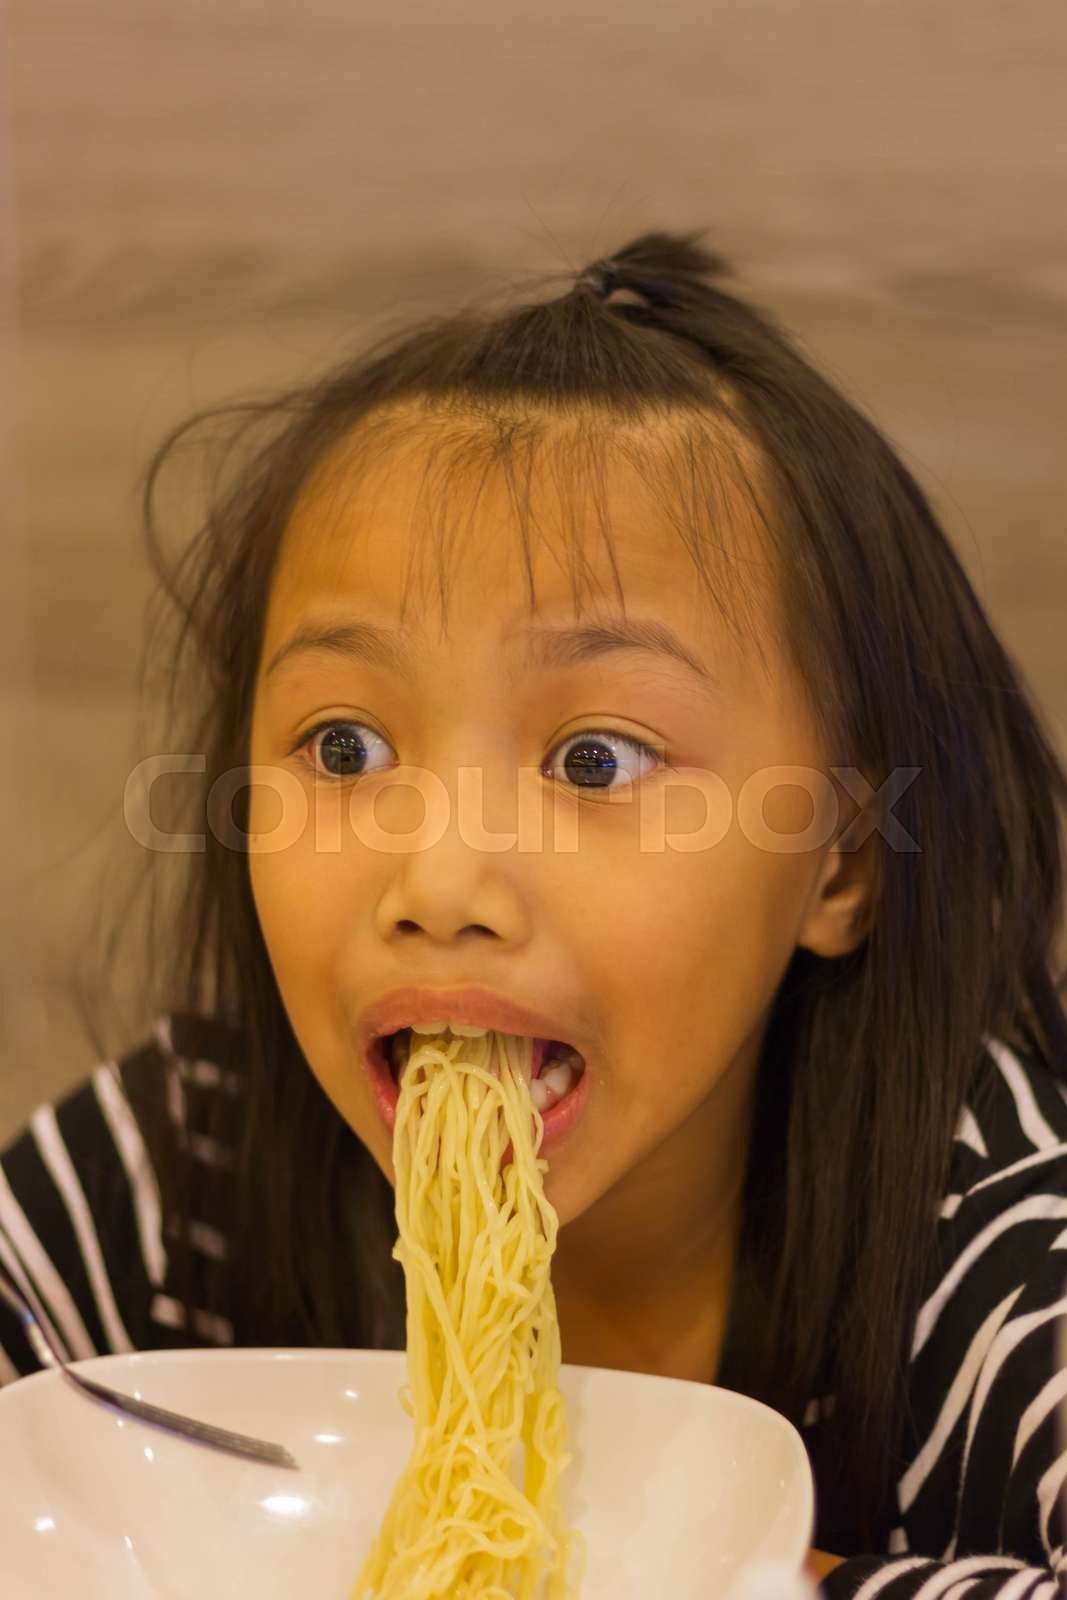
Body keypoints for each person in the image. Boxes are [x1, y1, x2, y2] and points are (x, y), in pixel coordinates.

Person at [2, 229, 1067, 1598]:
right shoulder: (188, 1169)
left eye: (597, 760)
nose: (441, 884)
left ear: (839, 864)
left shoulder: (997, 1244)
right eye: (342, 748)